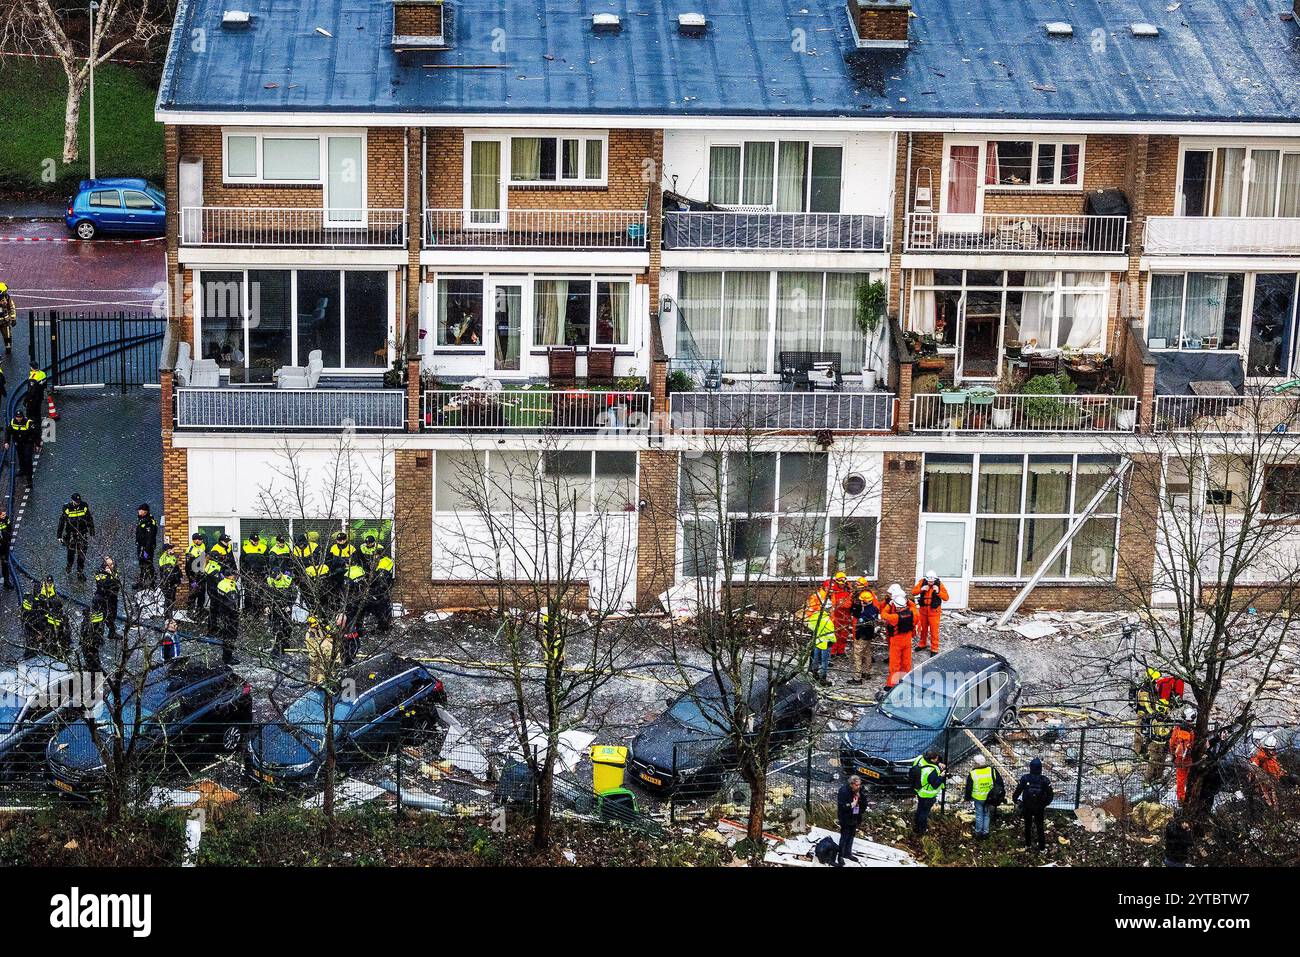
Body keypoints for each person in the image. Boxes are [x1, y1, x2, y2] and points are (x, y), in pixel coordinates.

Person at [878, 583, 918, 689]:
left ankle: (891, 683)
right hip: (907, 640)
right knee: (906, 662)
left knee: (895, 663)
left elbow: (883, 615)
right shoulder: (913, 614)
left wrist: (890, 604)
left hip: (896, 641)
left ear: (896, 606)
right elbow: (913, 607)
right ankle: (906, 681)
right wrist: (907, 600)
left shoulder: (894, 617)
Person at [1013, 757, 1054, 851]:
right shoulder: (1045, 780)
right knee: (1040, 826)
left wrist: (1017, 801)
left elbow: (1017, 791)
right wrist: (1045, 804)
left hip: (1027, 806)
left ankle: (1028, 845)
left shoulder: (1025, 778)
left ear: (1030, 767)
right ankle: (1042, 848)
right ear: (1041, 768)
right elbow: (1050, 795)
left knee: (1027, 825)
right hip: (1039, 807)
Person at [964, 753, 1003, 840]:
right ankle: (986, 832)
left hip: (978, 797)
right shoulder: (992, 770)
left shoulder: (973, 773)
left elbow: (969, 787)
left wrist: (967, 798)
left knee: (979, 815)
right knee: (986, 814)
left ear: (977, 763)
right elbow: (999, 782)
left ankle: (978, 832)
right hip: (989, 797)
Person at [56, 494, 95, 580]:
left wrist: (92, 532)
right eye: (76, 502)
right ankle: (69, 567)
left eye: (78, 502)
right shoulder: (67, 508)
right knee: (71, 554)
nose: (77, 503)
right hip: (71, 536)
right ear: (72, 500)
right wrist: (59, 536)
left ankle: (79, 572)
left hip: (82, 534)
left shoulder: (84, 506)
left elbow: (89, 519)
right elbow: (61, 522)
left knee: (82, 555)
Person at [911, 570, 949, 655]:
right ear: (926, 579)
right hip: (923, 611)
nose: (930, 582)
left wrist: (938, 592)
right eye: (929, 581)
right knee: (923, 629)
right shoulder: (922, 582)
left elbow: (946, 598)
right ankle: (922, 644)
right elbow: (913, 592)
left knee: (934, 631)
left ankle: (934, 648)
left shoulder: (939, 585)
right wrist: (921, 589)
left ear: (935, 579)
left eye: (932, 581)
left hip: (934, 612)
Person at [849, 578, 878, 684]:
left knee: (857, 655)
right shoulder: (873, 609)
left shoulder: (864, 614)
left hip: (862, 635)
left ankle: (857, 678)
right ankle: (867, 672)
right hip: (869, 635)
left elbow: (860, 624)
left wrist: (857, 635)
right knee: (868, 653)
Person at [910, 750, 945, 836]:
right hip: (928, 794)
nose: (938, 759)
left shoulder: (919, 759)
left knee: (920, 808)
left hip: (919, 790)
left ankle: (916, 825)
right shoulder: (932, 770)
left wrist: (939, 763)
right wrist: (941, 776)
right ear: (932, 759)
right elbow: (935, 784)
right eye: (936, 759)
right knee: (924, 812)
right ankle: (921, 830)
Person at [212, 568, 241, 665]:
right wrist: (236, 612)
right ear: (229, 575)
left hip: (228, 613)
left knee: (230, 635)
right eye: (234, 575)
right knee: (230, 636)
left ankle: (228, 655)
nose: (235, 577)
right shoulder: (226, 585)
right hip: (229, 614)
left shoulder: (226, 583)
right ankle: (227, 658)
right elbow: (231, 601)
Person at [4, 408, 41, 485]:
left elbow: (36, 434)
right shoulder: (12, 422)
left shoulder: (29, 423)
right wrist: (6, 442)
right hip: (18, 443)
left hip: (28, 443)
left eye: (20, 417)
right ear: (15, 417)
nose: (19, 418)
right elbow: (8, 432)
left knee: (27, 459)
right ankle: (22, 470)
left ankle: (29, 479)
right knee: (20, 457)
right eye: (17, 417)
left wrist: (37, 444)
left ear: (22, 416)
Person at [264, 568, 297, 656]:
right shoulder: (269, 580)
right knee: (276, 627)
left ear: (280, 573)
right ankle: (277, 648)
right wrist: (266, 605)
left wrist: (289, 605)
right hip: (274, 606)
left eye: (276, 576)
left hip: (285, 606)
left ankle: (285, 643)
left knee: (287, 627)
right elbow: (265, 594)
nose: (274, 578)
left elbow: (294, 594)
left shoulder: (288, 580)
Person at [1169, 706, 1197, 803]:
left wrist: (1173, 754)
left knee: (1180, 780)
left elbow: (1172, 743)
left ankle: (1181, 799)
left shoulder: (1177, 728)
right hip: (1189, 759)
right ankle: (1191, 799)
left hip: (1179, 759)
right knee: (1192, 779)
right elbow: (1194, 745)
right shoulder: (1193, 731)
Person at [835, 775, 864, 865]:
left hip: (855, 816)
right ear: (851, 784)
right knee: (844, 836)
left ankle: (848, 853)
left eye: (859, 785)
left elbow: (864, 802)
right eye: (856, 785)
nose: (858, 787)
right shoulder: (843, 791)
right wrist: (851, 804)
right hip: (846, 817)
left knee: (851, 835)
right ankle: (840, 855)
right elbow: (842, 806)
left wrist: (860, 801)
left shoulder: (859, 791)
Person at [91, 556, 121, 640]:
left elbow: (117, 583)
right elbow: (103, 585)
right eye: (108, 565)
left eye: (111, 564)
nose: (110, 566)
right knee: (102, 617)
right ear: (104, 565)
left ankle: (112, 633)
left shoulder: (115, 570)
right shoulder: (99, 573)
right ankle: (97, 635)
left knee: (112, 616)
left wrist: (112, 582)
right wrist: (109, 576)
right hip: (102, 598)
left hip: (113, 598)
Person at [366, 554, 395, 634]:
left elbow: (380, 581)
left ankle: (382, 629)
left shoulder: (382, 567)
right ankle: (387, 626)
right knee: (386, 608)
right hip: (386, 590)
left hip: (381, 592)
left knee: (381, 609)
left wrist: (374, 591)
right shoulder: (386, 561)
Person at [1145, 708, 1174, 786]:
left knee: (1161, 763)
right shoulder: (1156, 720)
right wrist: (1168, 728)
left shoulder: (1162, 719)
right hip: (1156, 744)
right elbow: (1161, 733)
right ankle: (1147, 781)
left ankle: (1157, 779)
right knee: (1153, 763)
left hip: (1161, 744)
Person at [808, 606, 835, 686]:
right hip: (826, 643)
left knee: (815, 658)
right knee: (824, 662)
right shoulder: (828, 621)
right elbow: (831, 635)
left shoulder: (815, 615)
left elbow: (811, 626)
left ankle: (814, 674)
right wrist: (833, 641)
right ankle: (823, 679)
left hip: (817, 641)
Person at [134, 504, 159, 588]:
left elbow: (150, 537)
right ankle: (142, 581)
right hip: (141, 546)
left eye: (140, 510)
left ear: (145, 511)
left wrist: (146, 551)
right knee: (142, 564)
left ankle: (151, 582)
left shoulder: (149, 521)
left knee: (148, 563)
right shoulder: (141, 520)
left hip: (146, 547)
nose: (139, 511)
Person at [183, 533, 208, 615]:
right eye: (200, 539)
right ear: (195, 540)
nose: (201, 540)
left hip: (202, 575)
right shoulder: (190, 550)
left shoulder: (203, 546)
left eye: (201, 539)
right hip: (194, 577)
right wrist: (192, 580)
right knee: (193, 595)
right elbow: (187, 568)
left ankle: (200, 610)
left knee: (202, 595)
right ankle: (190, 611)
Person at [157, 541, 181, 612]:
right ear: (168, 550)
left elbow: (176, 568)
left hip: (173, 582)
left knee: (173, 596)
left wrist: (179, 577)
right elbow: (166, 573)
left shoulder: (172, 556)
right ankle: (167, 613)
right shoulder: (163, 559)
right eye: (172, 549)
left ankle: (172, 609)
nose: (174, 550)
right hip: (167, 582)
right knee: (168, 598)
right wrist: (171, 582)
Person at [0, 281, 16, 355]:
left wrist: (13, 318)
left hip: (5, 321)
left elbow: (12, 307)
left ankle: (8, 347)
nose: (5, 293)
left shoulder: (7, 297)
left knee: (8, 336)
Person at [0, 505, 12, 592]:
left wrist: (7, 535)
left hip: (4, 546)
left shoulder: (6, 519)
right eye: (3, 515)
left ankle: (6, 582)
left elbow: (9, 528)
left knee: (5, 564)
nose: (4, 516)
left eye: (5, 515)